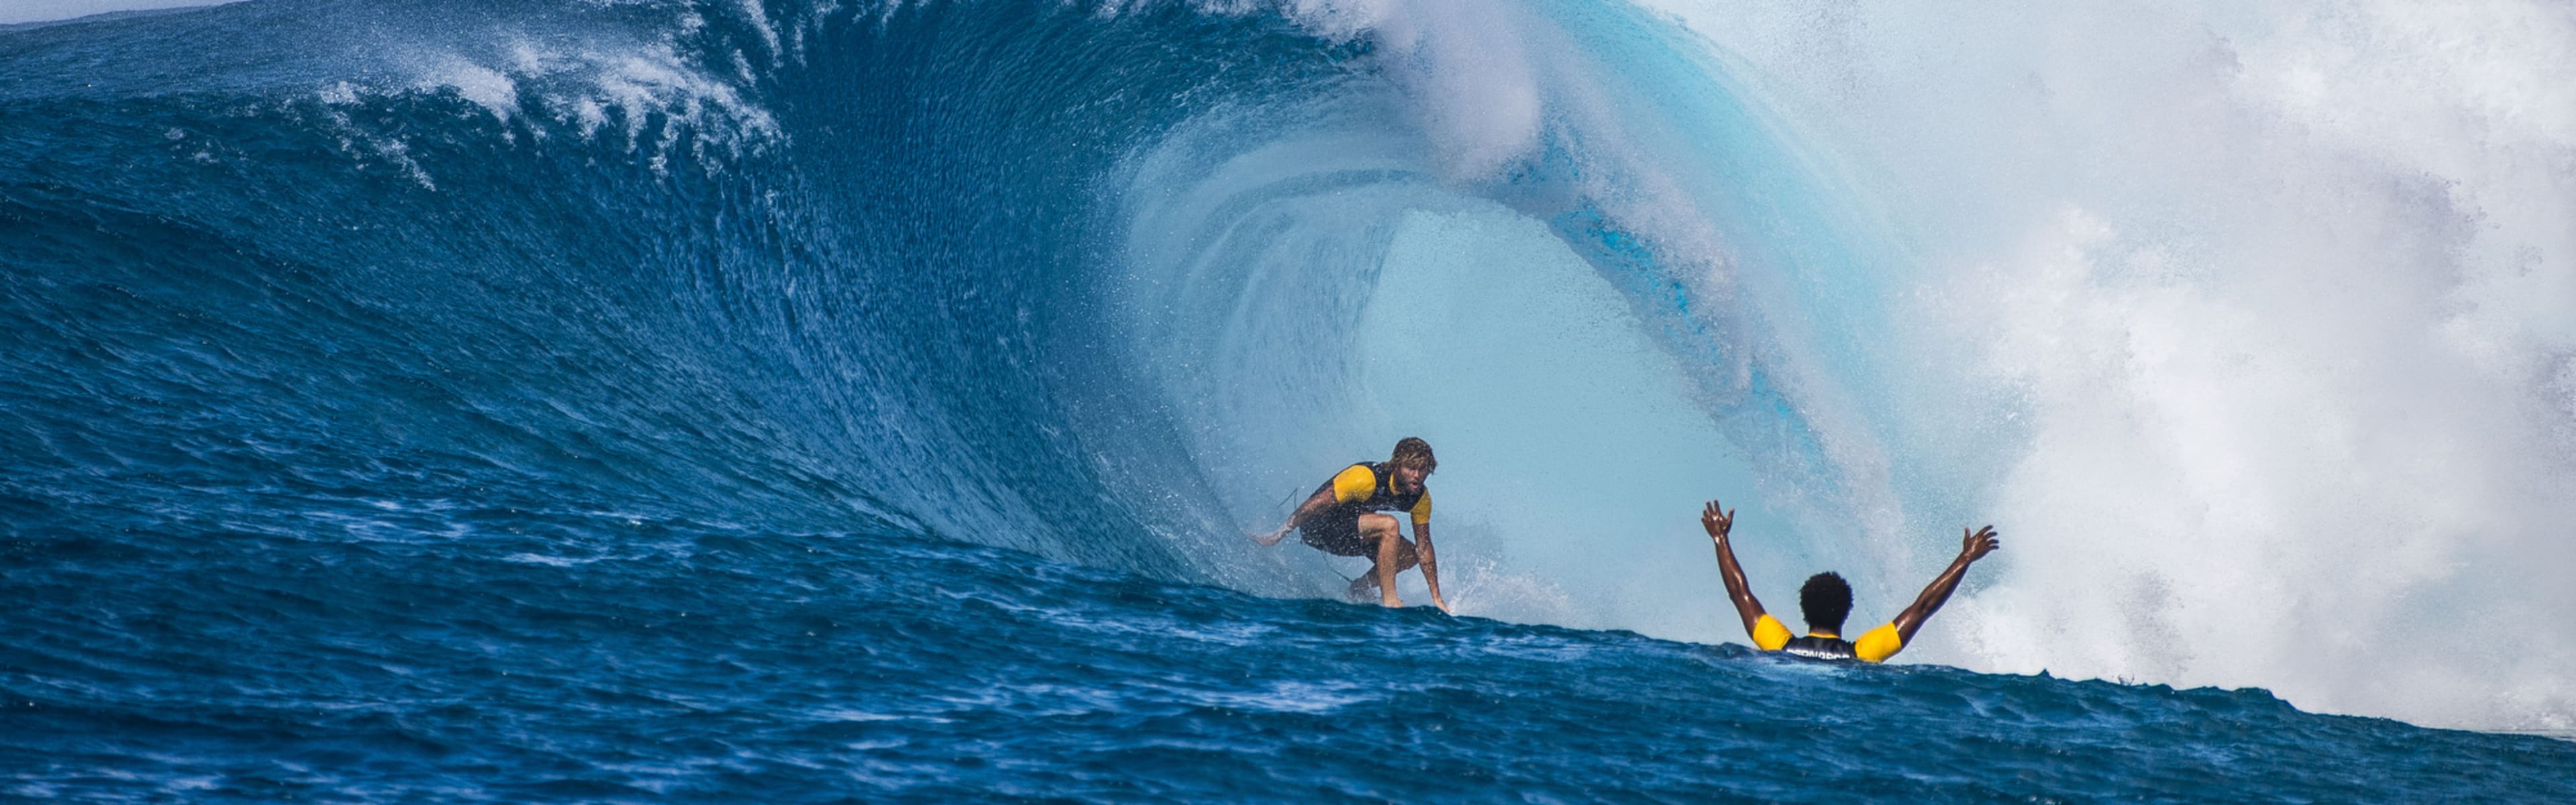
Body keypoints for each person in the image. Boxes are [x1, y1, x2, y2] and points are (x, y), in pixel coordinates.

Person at [1699, 498, 1999, 661]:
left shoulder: (1779, 645)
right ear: (1848, 610)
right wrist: (1965, 559)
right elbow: (1923, 608)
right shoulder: (1862, 654)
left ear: (1803, 609)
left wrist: (1720, 539)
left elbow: (1740, 594)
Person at [1252, 437, 1449, 612]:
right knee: (1390, 525)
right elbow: (1315, 504)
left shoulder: (1420, 499)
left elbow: (1424, 548)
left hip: (1349, 537)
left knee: (1410, 554)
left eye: (1422, 469)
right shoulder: (1365, 478)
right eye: (1410, 468)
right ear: (1396, 465)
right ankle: (1391, 600)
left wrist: (1437, 598)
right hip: (1318, 529)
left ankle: (1360, 588)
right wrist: (1278, 535)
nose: (1417, 475)